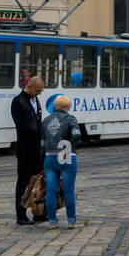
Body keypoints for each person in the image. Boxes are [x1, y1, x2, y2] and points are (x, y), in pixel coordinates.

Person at [41, 95, 82, 229]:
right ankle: (71, 221)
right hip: (66, 155)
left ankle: (52, 221)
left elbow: (42, 142)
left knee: (51, 191)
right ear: (68, 107)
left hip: (49, 158)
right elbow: (76, 134)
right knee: (68, 191)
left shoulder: (46, 120)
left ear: (55, 106)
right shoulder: (71, 119)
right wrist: (70, 147)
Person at [11, 76, 45, 225]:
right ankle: (21, 215)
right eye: (38, 90)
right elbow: (23, 125)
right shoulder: (18, 101)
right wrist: (41, 131)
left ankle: (38, 213)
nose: (39, 93)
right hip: (25, 147)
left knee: (38, 181)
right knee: (24, 182)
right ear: (29, 86)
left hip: (37, 147)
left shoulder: (34, 99)